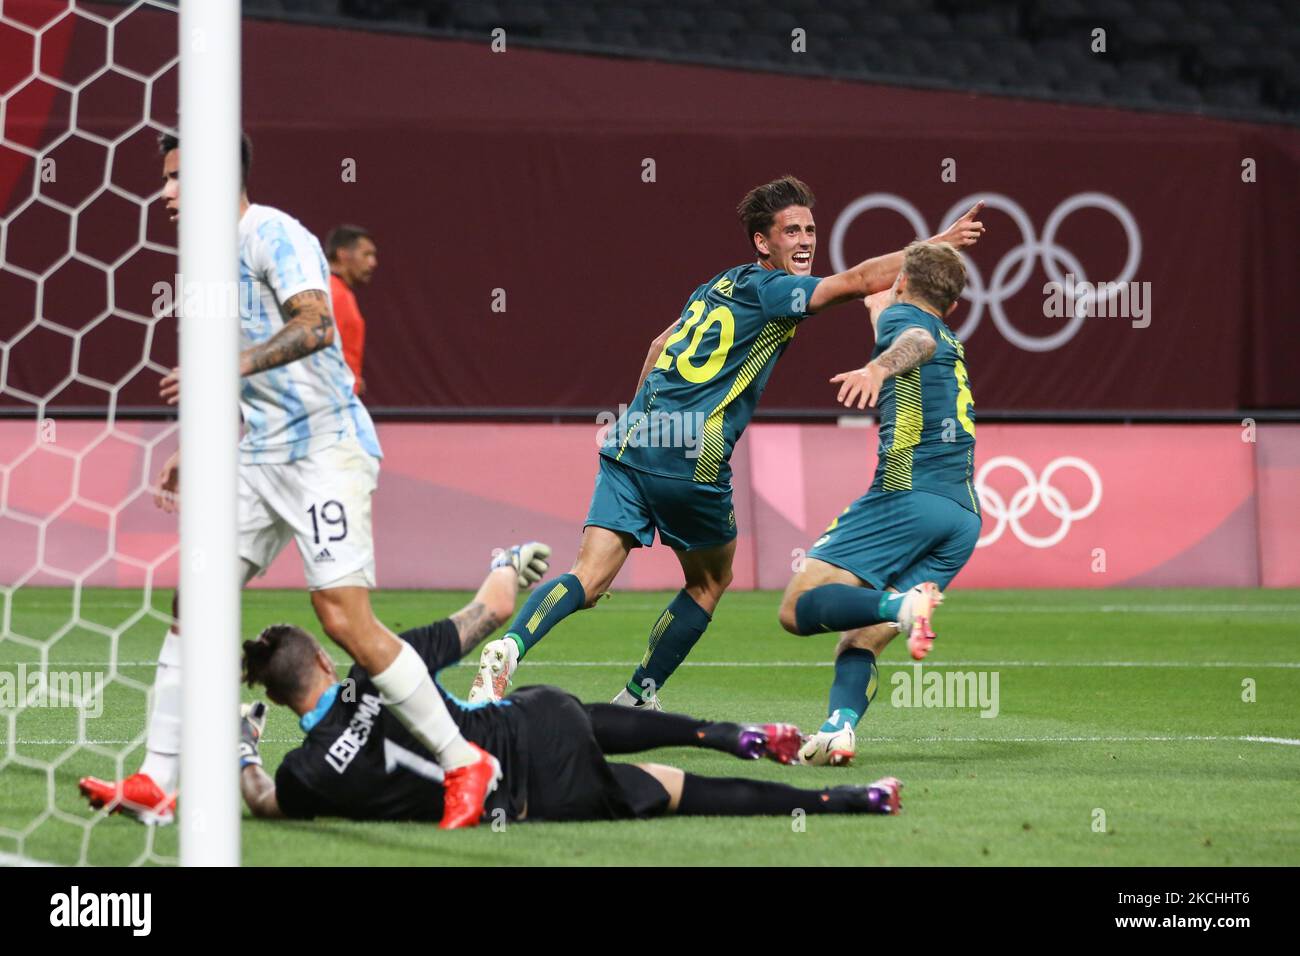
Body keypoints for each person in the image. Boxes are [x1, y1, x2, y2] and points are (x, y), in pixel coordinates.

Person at [77, 133, 510, 829]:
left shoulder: (272, 234)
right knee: (197, 594)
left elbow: (313, 328)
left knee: (342, 618)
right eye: (165, 178)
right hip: (261, 454)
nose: (166, 192)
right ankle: (158, 780)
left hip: (325, 452)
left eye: (180, 177)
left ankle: (464, 760)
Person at [468, 175, 984, 709]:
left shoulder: (716, 284)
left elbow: (658, 344)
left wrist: (647, 419)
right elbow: (853, 283)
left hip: (631, 442)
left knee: (588, 577)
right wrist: (935, 246)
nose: (805, 240)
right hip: (694, 456)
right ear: (763, 243)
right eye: (791, 232)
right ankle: (640, 694)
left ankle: (510, 645)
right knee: (710, 583)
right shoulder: (776, 291)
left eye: (810, 229)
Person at [235, 556, 903, 824]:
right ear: (325, 658)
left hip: (529, 799)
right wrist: (509, 565)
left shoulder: (305, 771)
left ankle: (844, 800)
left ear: (281, 692)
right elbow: (488, 612)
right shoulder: (377, 668)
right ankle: (716, 732)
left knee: (678, 794)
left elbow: (262, 801)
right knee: (576, 714)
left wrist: (243, 746)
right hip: (529, 726)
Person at [778, 242, 980, 766]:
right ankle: (838, 730)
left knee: (796, 610)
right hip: (961, 517)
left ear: (903, 282)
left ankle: (902, 607)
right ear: (953, 306)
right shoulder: (947, 333)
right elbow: (910, 326)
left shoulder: (908, 323)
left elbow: (911, 340)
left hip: (906, 494)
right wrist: (880, 311)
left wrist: (874, 369)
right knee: (860, 640)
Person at [324, 224, 377, 395]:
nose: (373, 263)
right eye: (366, 255)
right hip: (331, 403)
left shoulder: (337, 291)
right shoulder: (333, 294)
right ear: (343, 254)